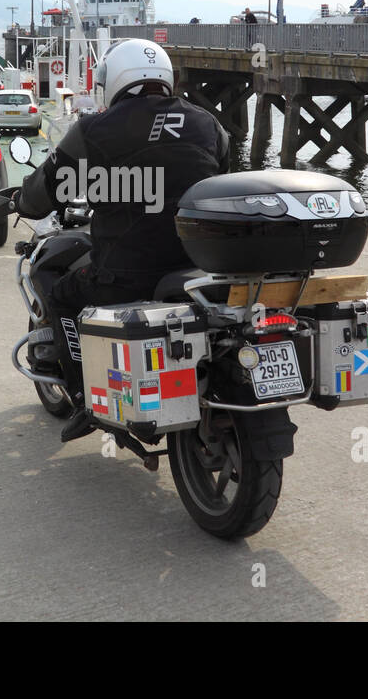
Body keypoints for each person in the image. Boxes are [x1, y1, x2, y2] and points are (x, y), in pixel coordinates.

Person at [16, 39, 229, 441]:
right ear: (165, 78)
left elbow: (46, 189)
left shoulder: (94, 129)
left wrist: (20, 201)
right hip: (200, 269)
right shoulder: (207, 124)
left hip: (126, 274)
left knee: (60, 294)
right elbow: (219, 183)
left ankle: (82, 397)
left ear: (112, 80)